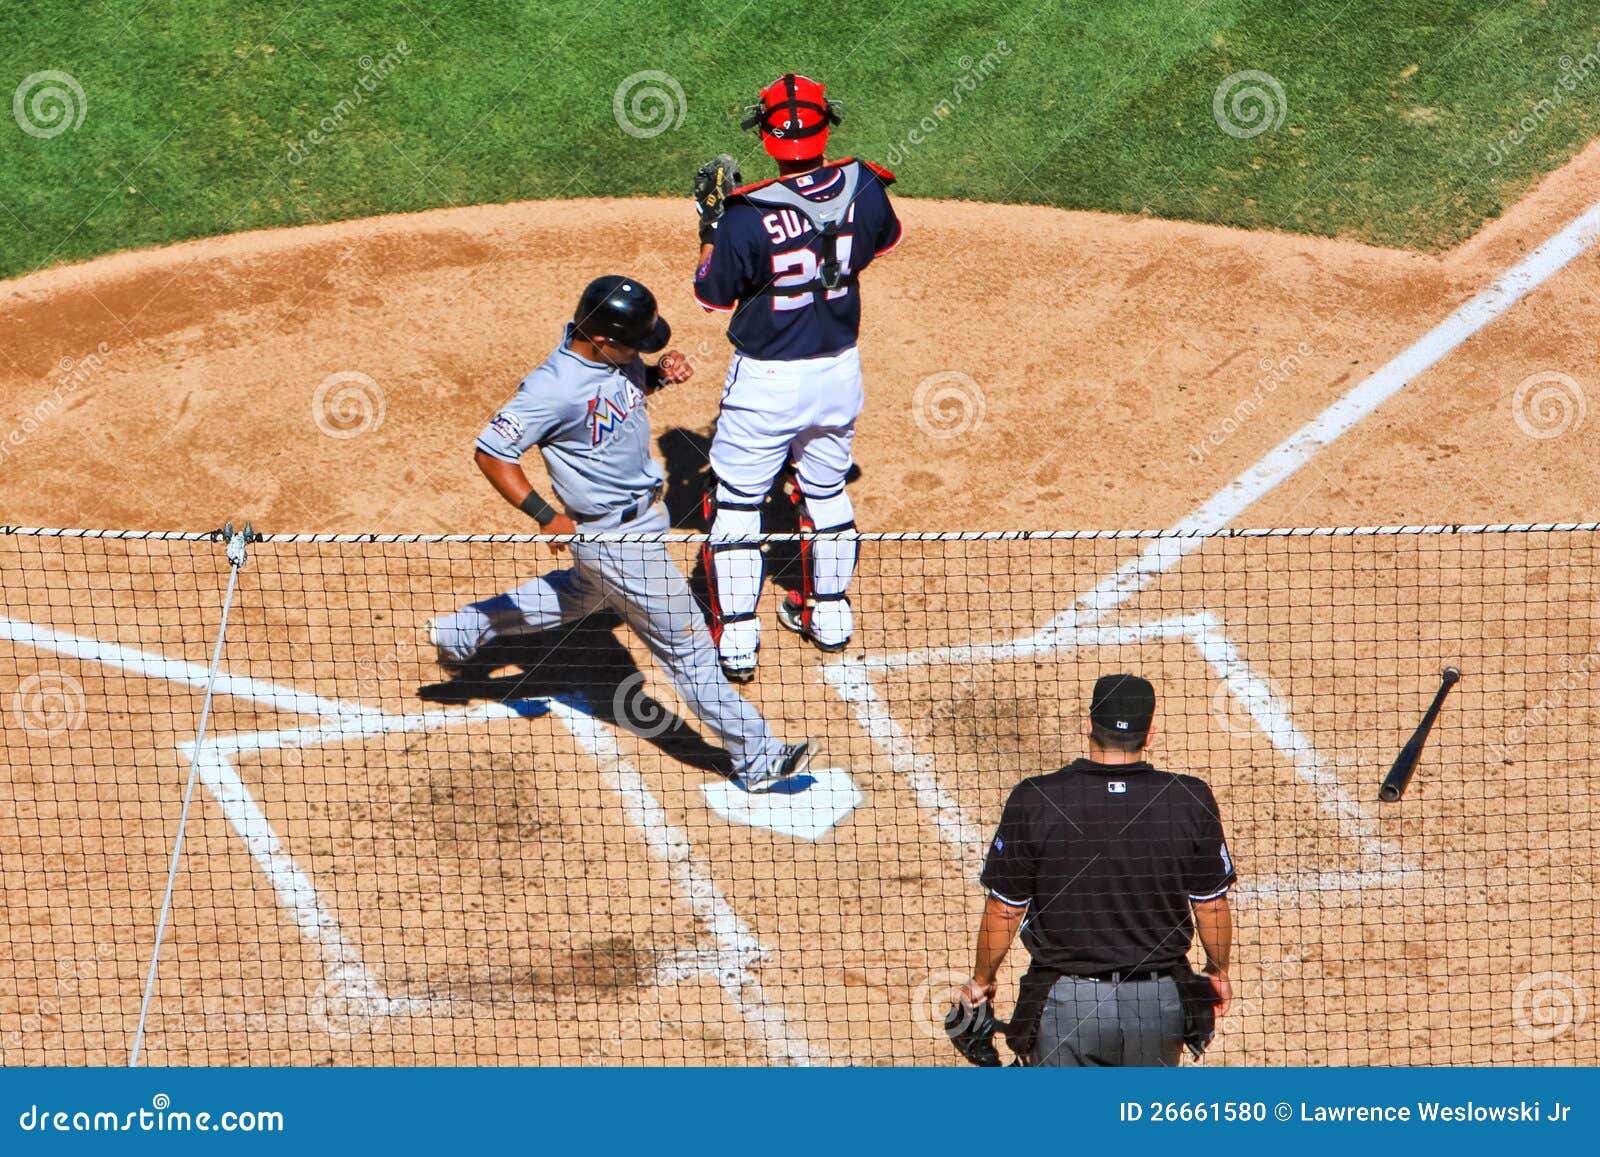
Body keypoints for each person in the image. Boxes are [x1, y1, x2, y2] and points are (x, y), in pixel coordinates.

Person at [431, 275, 814, 792]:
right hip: (613, 538)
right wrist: (546, 514)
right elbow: (491, 453)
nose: (640, 351)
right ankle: (758, 756)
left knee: (584, 594)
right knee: (689, 650)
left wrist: (658, 375)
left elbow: (615, 401)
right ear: (603, 339)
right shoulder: (552, 388)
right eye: (635, 344)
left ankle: (464, 629)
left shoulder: (616, 357)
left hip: (640, 524)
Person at [690, 72, 903, 682]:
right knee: (827, 492)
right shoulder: (866, 186)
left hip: (766, 383)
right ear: (826, 126)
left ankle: (735, 640)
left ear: (765, 138)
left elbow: (712, 294)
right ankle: (830, 618)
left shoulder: (744, 214)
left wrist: (710, 232)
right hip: (839, 369)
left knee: (736, 504)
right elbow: (875, 245)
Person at [959, 674, 1236, 1065]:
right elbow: (1210, 905)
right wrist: (1217, 970)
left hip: (1067, 1007)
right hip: (1157, 1009)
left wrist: (982, 981)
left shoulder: (1036, 798)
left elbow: (1005, 908)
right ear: (1150, 733)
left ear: (1088, 724)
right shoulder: (1190, 798)